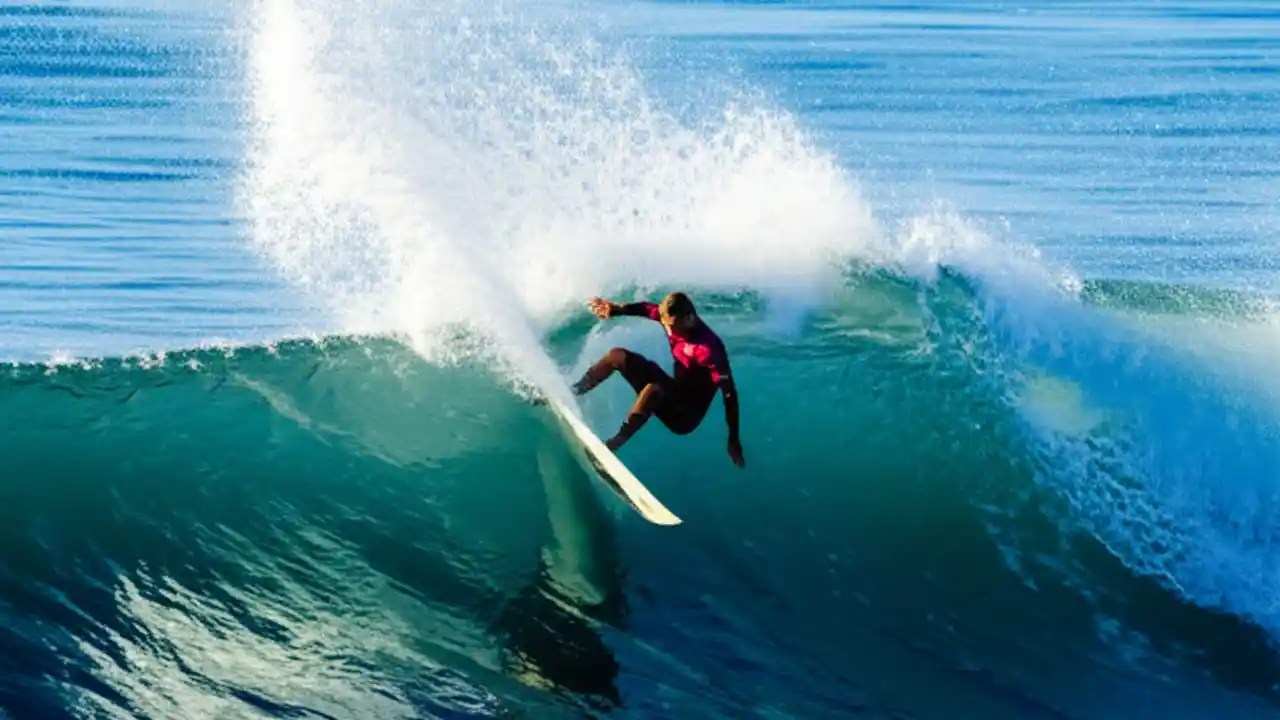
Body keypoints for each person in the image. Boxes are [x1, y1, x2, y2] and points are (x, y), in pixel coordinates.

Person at [572, 291, 744, 468]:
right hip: (675, 390)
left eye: (671, 326)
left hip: (686, 415)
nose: (668, 330)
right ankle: (574, 391)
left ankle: (613, 444)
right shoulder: (671, 319)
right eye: (666, 324)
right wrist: (615, 309)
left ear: (689, 319)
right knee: (617, 356)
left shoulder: (709, 350)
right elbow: (647, 309)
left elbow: (729, 394)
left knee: (654, 389)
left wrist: (733, 438)